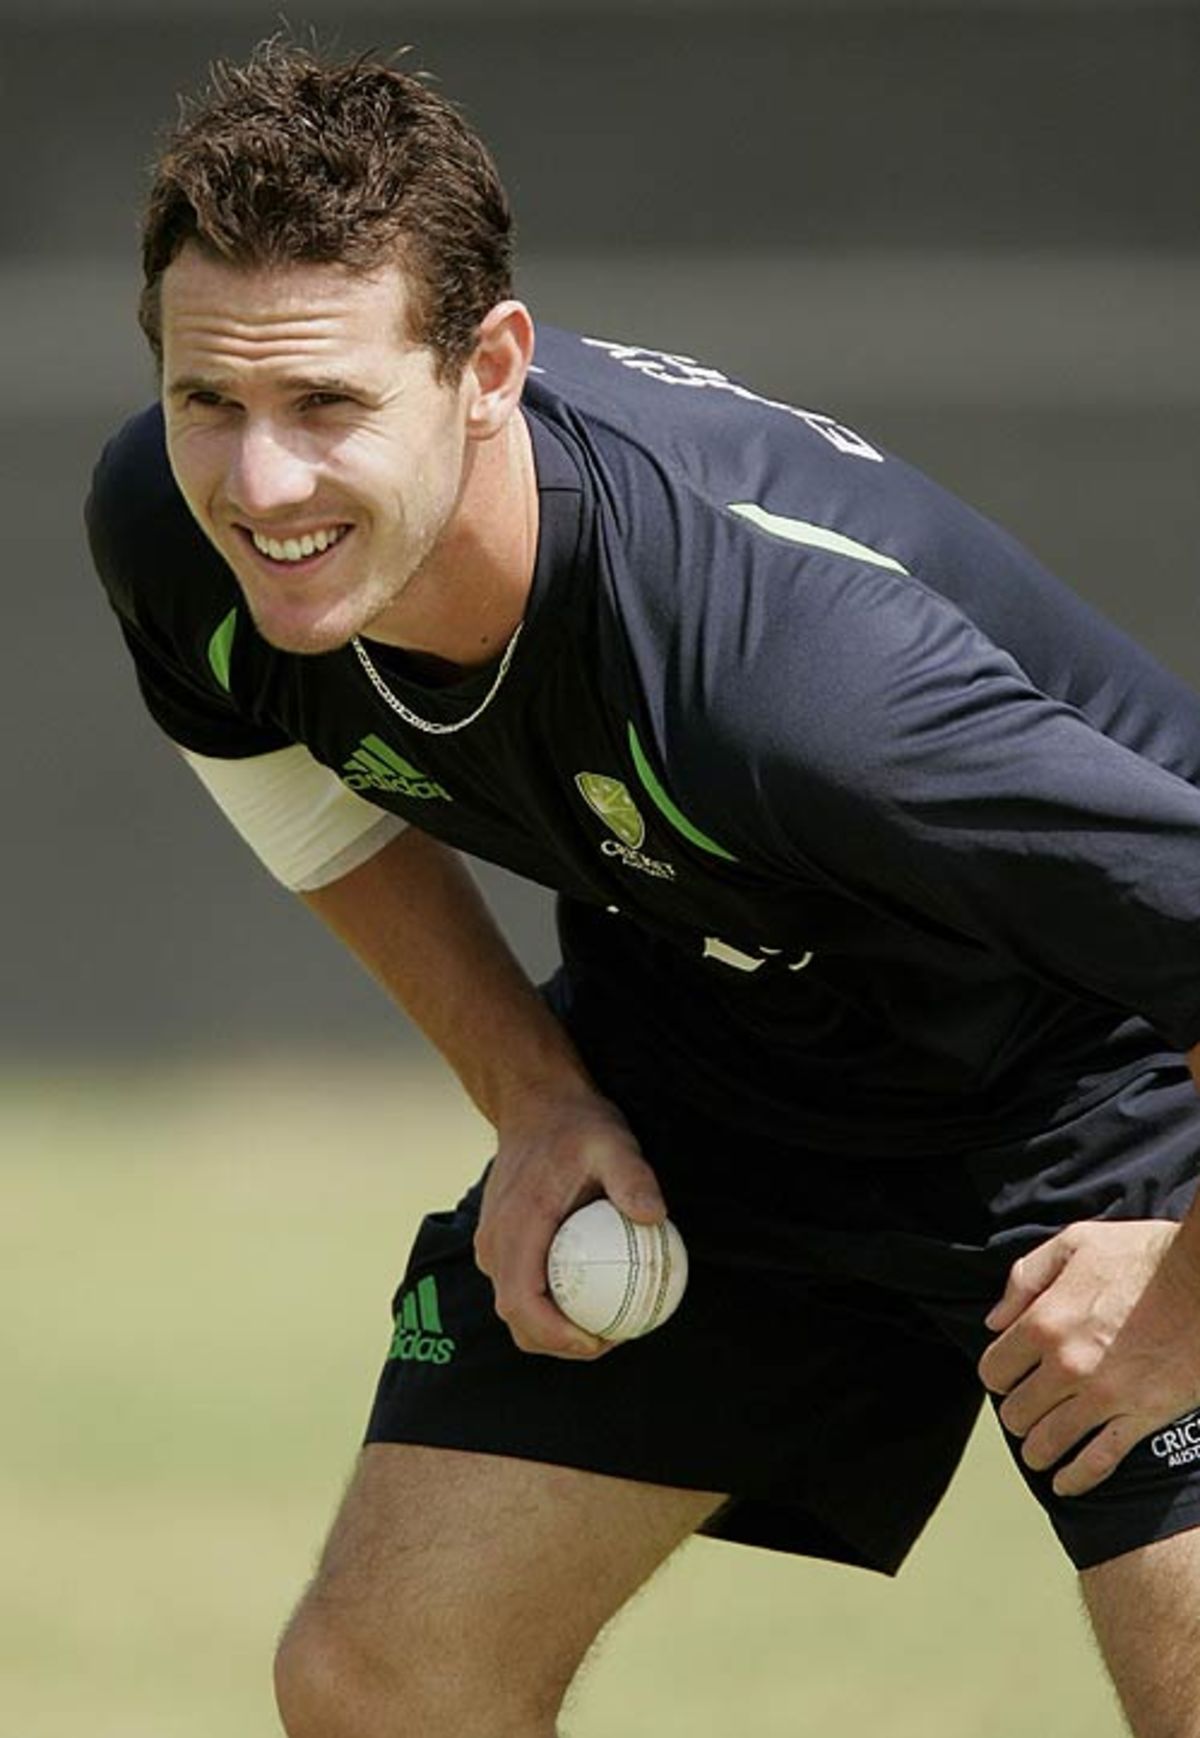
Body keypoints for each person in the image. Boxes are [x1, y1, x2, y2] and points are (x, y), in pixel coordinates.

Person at [87, 38, 1200, 1738]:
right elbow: (290, 786)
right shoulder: (178, 544)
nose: (261, 485)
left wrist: (1193, 1284)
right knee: (384, 1680)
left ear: (489, 367)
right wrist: (534, 1097)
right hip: (720, 1070)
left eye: (329, 405)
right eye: (208, 402)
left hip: (1103, 1080)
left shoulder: (787, 684)